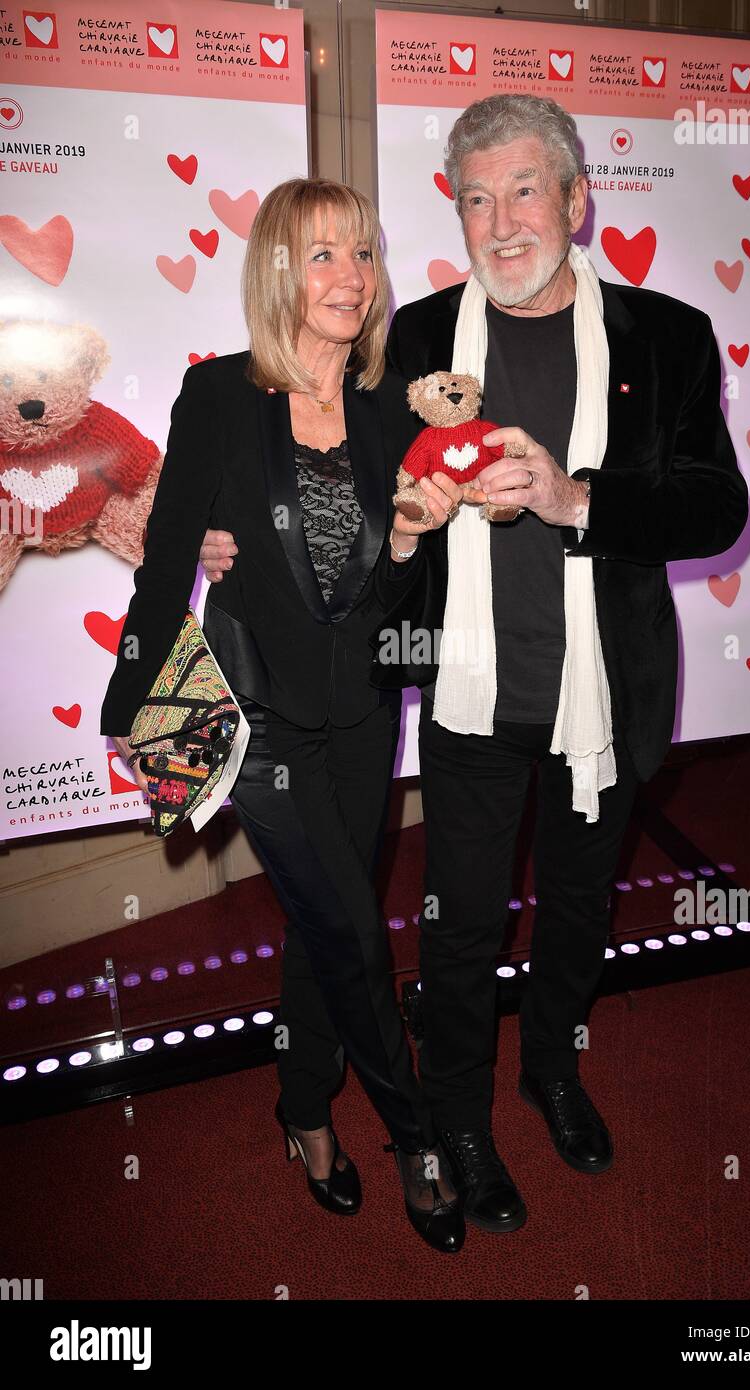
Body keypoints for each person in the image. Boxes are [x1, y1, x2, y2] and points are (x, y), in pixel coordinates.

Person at [201, 95, 749, 1239]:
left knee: (579, 909)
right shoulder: (413, 342)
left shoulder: (668, 335)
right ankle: (456, 1120)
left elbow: (713, 507)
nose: (500, 222)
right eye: (473, 197)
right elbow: (344, 513)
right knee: (459, 926)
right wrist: (230, 534)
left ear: (575, 199)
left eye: (523, 190)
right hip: (467, 697)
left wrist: (572, 498)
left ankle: (552, 1067)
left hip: (602, 694)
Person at [101, 177, 464, 1254]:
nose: (347, 275)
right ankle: (416, 1136)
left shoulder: (390, 408)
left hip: (361, 711)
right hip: (257, 716)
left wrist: (406, 543)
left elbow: (392, 591)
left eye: (359, 253)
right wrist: (130, 694)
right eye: (319, 255)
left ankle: (303, 1108)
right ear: (275, 270)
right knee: (354, 928)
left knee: (327, 919)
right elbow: (171, 559)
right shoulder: (217, 396)